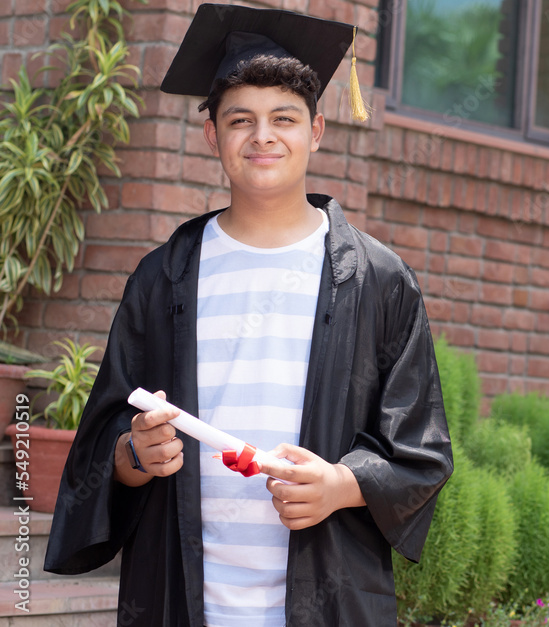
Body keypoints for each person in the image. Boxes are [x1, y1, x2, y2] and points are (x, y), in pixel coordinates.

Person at [42, 4, 453, 626]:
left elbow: (420, 450)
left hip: (330, 597)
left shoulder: (377, 279)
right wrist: (134, 454)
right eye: (241, 120)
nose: (263, 136)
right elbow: (105, 444)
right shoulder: (163, 277)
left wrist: (341, 485)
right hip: (180, 595)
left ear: (316, 130)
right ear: (213, 135)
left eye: (283, 118)